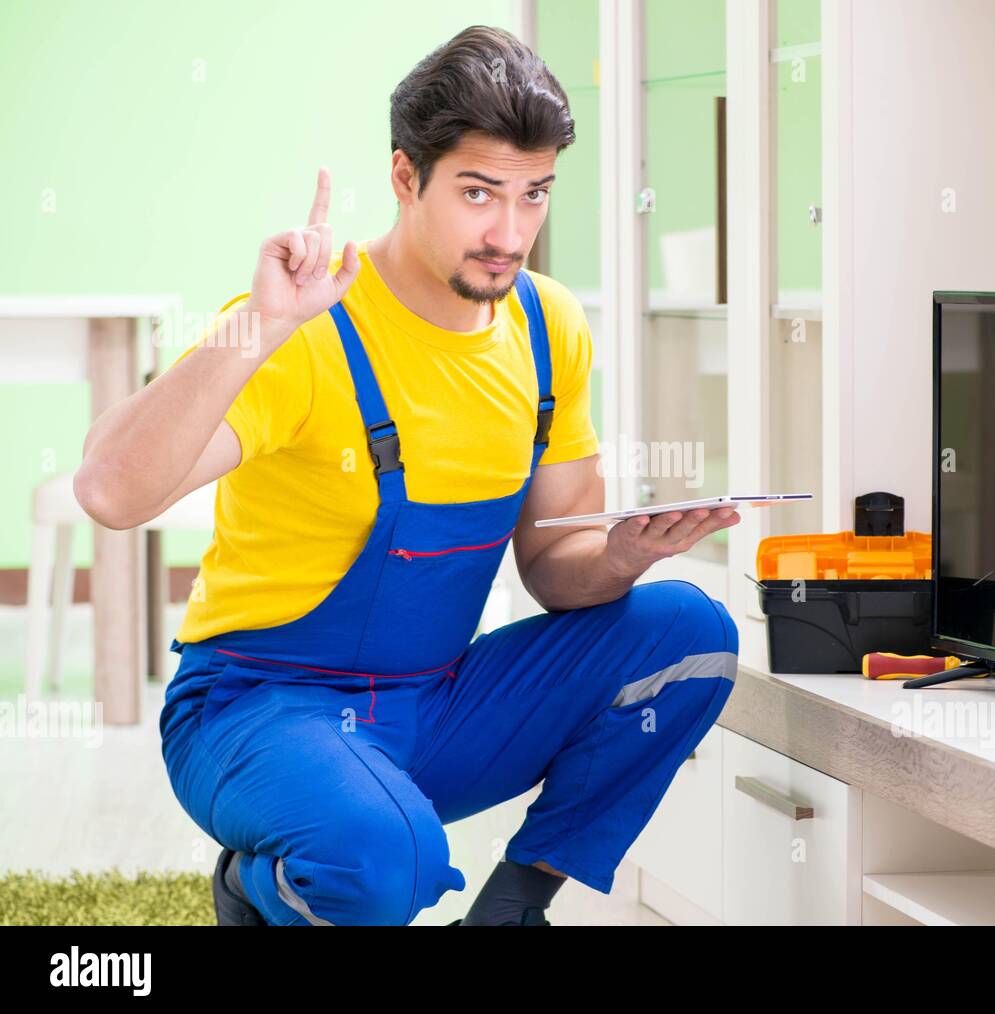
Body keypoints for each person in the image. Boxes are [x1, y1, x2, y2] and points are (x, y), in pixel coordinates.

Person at [74, 25, 741, 926]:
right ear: (404, 177)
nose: (510, 233)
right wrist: (258, 328)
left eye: (533, 195)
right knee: (388, 863)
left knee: (689, 627)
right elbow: (110, 493)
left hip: (434, 706)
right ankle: (251, 889)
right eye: (478, 193)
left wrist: (621, 556)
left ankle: (513, 908)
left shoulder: (548, 330)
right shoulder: (307, 329)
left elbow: (556, 569)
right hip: (255, 710)